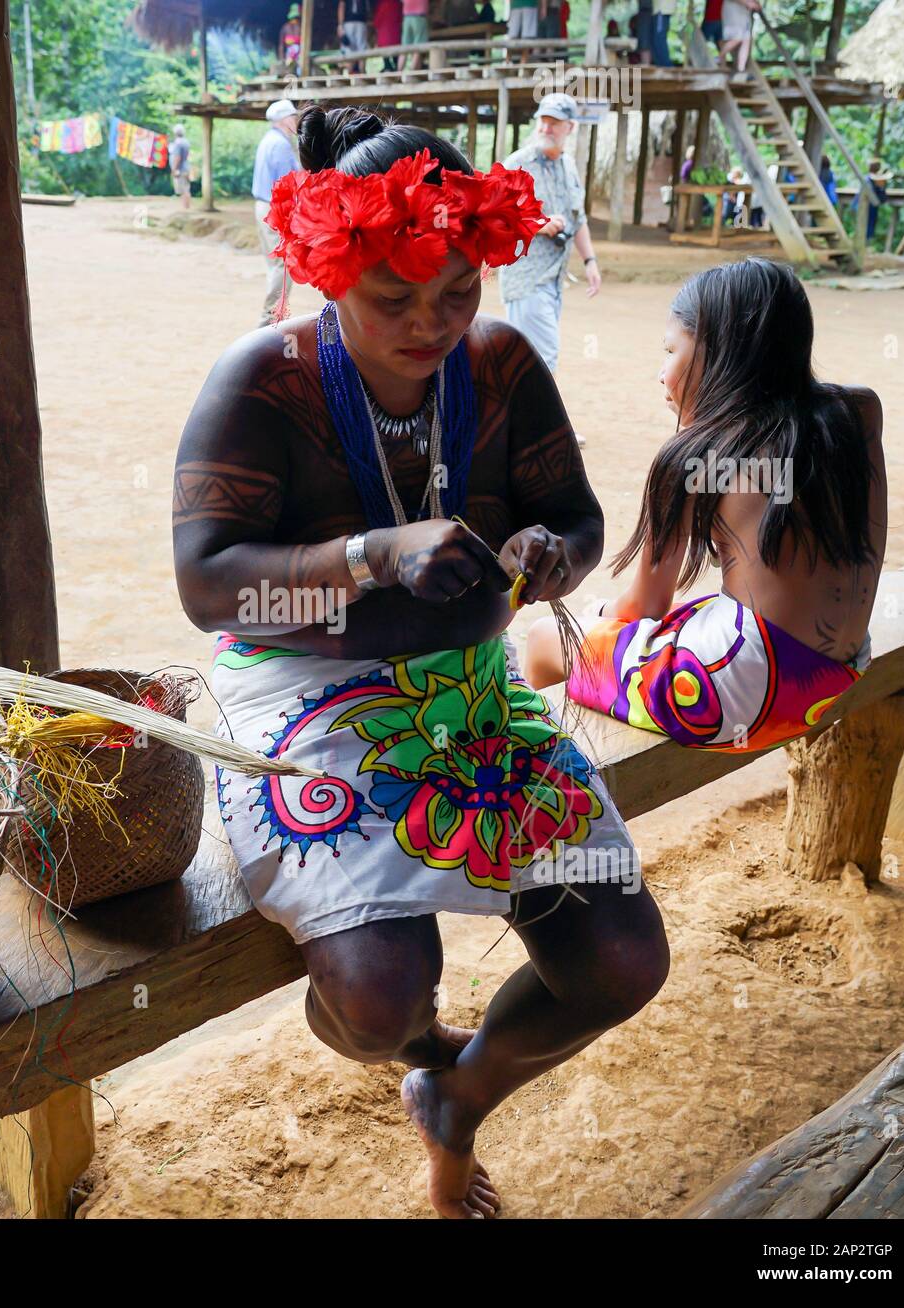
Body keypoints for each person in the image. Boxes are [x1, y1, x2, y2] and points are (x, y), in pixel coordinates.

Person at [174, 103, 667, 1221]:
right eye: (391, 298)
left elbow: (578, 522)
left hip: (470, 694)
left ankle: (458, 1094)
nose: (431, 325)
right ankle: (413, 1044)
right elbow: (208, 586)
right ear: (326, 271)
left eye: (457, 292)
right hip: (305, 694)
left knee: (620, 962)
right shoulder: (260, 383)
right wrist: (367, 556)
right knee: (379, 996)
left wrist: (552, 553)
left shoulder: (499, 369)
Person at [523, 258, 886, 757]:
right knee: (688, 622)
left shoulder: (695, 457)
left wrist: (598, 615)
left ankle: (550, 785)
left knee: (545, 639)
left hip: (733, 700)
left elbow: (643, 606)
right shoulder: (859, 411)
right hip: (838, 673)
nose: (661, 373)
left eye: (671, 350)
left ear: (717, 355)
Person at [499, 93, 601, 441]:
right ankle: (544, 430)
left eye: (555, 122)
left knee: (529, 355)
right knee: (543, 354)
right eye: (543, 120)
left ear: (570, 127)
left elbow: (579, 217)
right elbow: (494, 214)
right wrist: (537, 224)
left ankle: (519, 426)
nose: (546, 127)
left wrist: (590, 260)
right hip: (525, 275)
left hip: (554, 277)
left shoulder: (568, 166)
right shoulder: (518, 163)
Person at [252, 100, 302, 327]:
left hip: (262, 206)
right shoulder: (281, 145)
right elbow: (287, 186)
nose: (295, 121)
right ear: (284, 120)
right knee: (282, 268)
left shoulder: (268, 140)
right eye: (292, 117)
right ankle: (270, 321)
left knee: (274, 266)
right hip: (274, 210)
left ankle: (272, 318)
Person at [720, 0, 760, 72]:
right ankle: (721, 56)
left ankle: (741, 68)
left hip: (743, 17)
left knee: (746, 40)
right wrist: (747, 3)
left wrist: (755, 4)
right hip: (733, 15)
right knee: (737, 39)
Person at [339, 0, 372, 73]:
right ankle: (361, 72)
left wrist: (340, 25)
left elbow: (341, 6)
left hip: (353, 23)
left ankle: (353, 73)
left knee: (350, 50)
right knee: (360, 49)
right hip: (359, 23)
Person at [167, 123, 191, 211]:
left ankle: (185, 208)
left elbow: (177, 157)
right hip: (186, 167)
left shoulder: (177, 143)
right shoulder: (186, 142)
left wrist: (174, 169)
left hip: (180, 169)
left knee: (183, 189)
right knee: (186, 188)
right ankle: (186, 207)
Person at [401, 0, 430, 70]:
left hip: (407, 17)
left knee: (403, 48)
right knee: (418, 46)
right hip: (419, 16)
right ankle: (412, 71)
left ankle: (398, 72)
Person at [375, 0, 403, 68]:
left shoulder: (382, 4)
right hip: (395, 33)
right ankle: (396, 66)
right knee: (396, 53)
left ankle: (387, 66)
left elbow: (377, 20)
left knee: (385, 53)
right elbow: (401, 18)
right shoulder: (398, 4)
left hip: (384, 34)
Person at [652, 0, 676, 66]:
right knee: (657, 41)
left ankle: (668, 68)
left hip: (662, 9)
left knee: (659, 40)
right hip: (660, 9)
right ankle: (663, 67)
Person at [280, 3, 303, 70]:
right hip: (291, 55)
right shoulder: (285, 28)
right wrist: (282, 59)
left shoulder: (301, 27)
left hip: (298, 54)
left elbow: (281, 46)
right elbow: (281, 46)